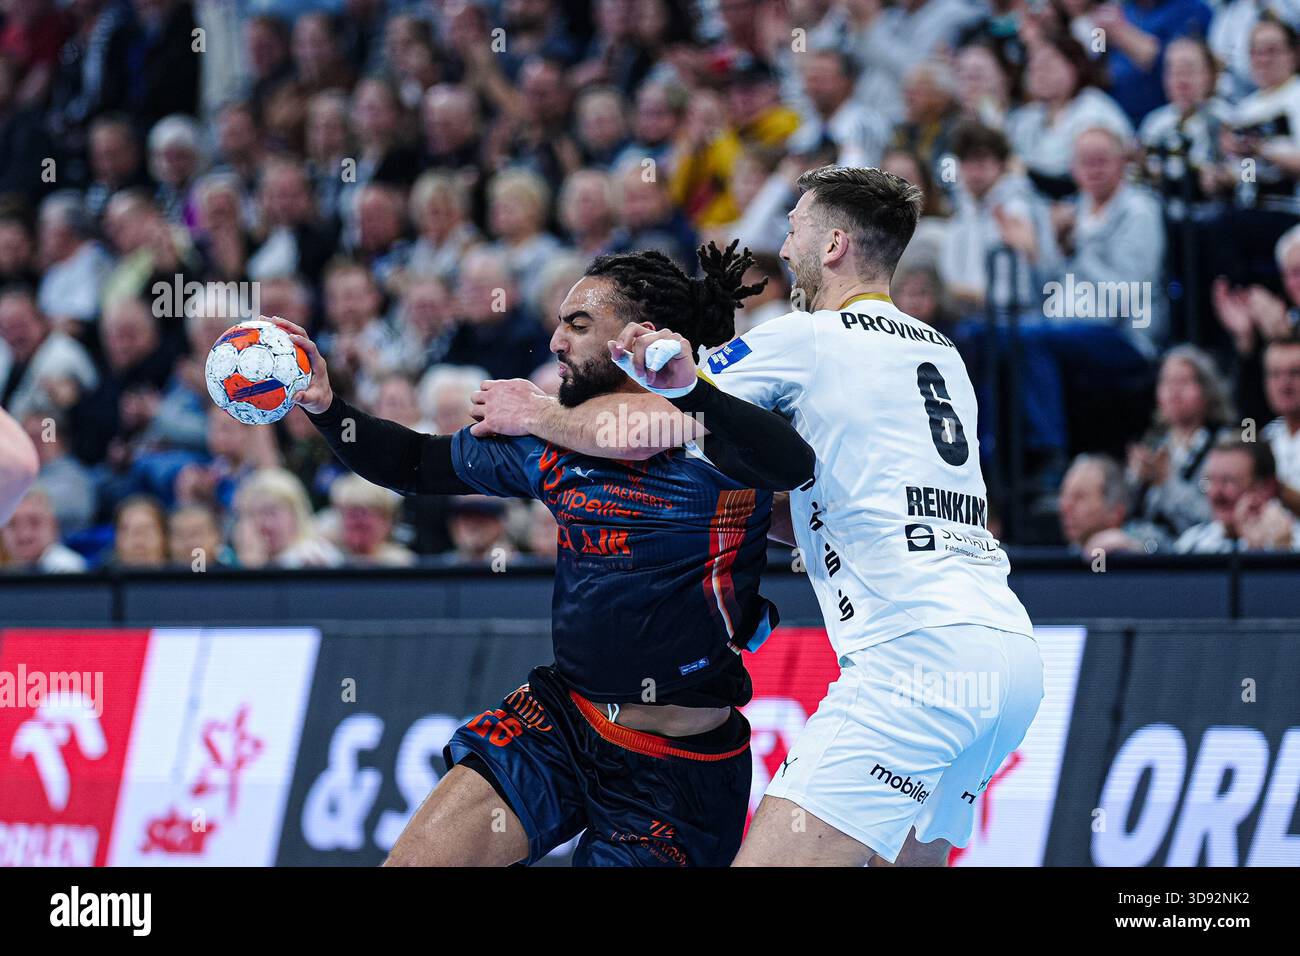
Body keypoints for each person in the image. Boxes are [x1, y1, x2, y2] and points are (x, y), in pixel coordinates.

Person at [476, 166, 1042, 867]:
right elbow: (848, 499)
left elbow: (642, 427)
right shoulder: (942, 352)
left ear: (834, 244)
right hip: (1007, 656)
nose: (786, 241)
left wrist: (537, 413)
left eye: (795, 225)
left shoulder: (805, 335)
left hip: (912, 662)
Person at [280, 240, 815, 867]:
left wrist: (549, 411)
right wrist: (325, 407)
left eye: (579, 324)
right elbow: (414, 463)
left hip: (678, 774)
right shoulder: (548, 439)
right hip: (562, 720)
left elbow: (787, 462)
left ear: (641, 334)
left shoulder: (715, 426)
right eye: (559, 322)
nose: (556, 340)